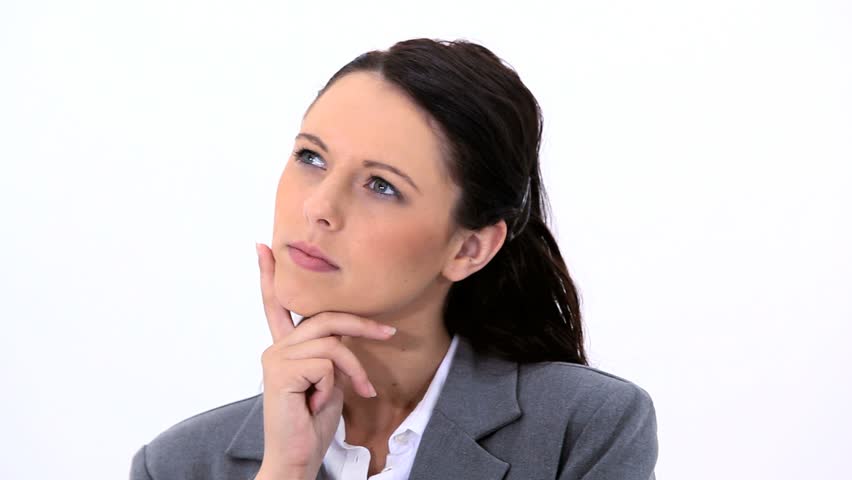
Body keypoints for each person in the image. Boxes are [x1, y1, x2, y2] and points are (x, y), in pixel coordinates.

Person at [129, 38, 658, 480]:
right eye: (311, 157)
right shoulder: (177, 465)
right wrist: (286, 470)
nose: (318, 208)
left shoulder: (582, 427)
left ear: (469, 247)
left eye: (381, 186)